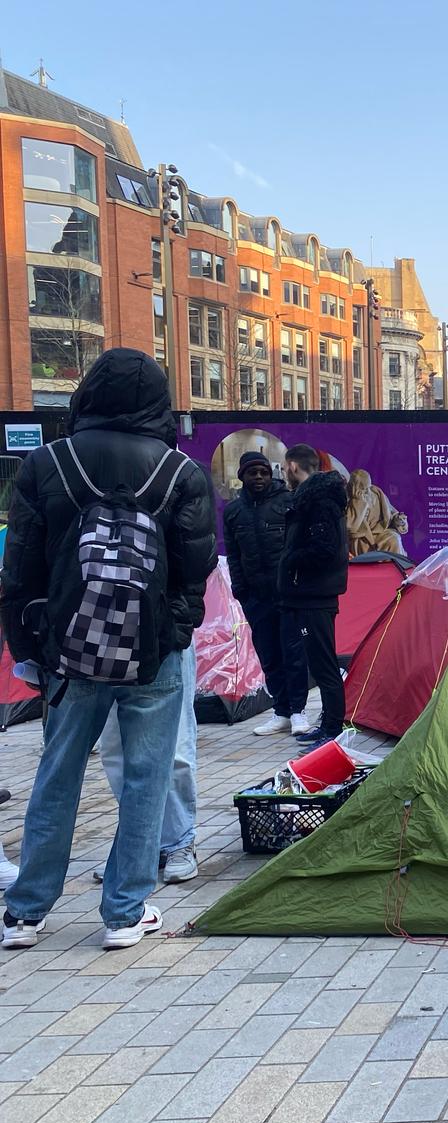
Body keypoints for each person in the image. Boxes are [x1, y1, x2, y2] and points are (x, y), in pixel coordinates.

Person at [0, 349, 214, 950]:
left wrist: (30, 647)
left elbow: (20, 573)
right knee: (147, 776)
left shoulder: (45, 465)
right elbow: (193, 576)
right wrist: (169, 638)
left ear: (88, 393)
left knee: (57, 774)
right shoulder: (182, 473)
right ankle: (124, 912)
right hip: (153, 655)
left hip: (69, 651)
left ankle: (26, 913)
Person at [94, 645, 199, 884]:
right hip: (105, 640)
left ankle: (179, 841)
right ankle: (138, 846)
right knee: (114, 747)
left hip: (163, 632)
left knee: (174, 746)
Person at [222, 451, 309, 736]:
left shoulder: (287, 502)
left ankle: (299, 712)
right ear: (242, 477)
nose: (258, 477)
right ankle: (281, 712)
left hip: (286, 593)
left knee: (292, 652)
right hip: (255, 597)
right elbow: (233, 554)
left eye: (263, 472)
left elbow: (298, 546)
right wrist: (240, 591)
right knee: (269, 655)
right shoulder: (234, 512)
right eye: (252, 473)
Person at [280, 444, 349, 746]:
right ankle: (329, 725)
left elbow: (324, 549)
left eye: (284, 468)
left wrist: (290, 559)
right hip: (310, 594)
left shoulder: (319, 501)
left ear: (294, 466)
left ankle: (333, 729)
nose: (283, 474)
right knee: (320, 663)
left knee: (323, 665)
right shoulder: (314, 498)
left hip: (315, 595)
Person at [345, 469, 408, 557]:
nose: (368, 491)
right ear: (355, 487)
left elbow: (391, 512)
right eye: (363, 489)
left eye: (368, 487)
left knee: (394, 539)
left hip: (380, 532)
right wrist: (359, 504)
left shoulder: (376, 492)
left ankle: (396, 568)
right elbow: (350, 528)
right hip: (362, 539)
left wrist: (398, 519)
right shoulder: (347, 498)